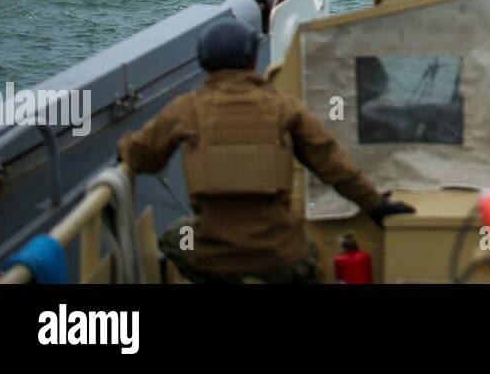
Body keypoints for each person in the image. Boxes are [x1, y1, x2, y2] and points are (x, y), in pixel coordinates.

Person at [118, 17, 414, 284]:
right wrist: (376, 205)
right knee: (305, 250)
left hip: (213, 255)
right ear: (252, 61)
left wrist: (125, 151)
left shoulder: (185, 109)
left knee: (175, 236)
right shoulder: (284, 107)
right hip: (280, 256)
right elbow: (333, 165)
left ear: (205, 62)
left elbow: (142, 155)